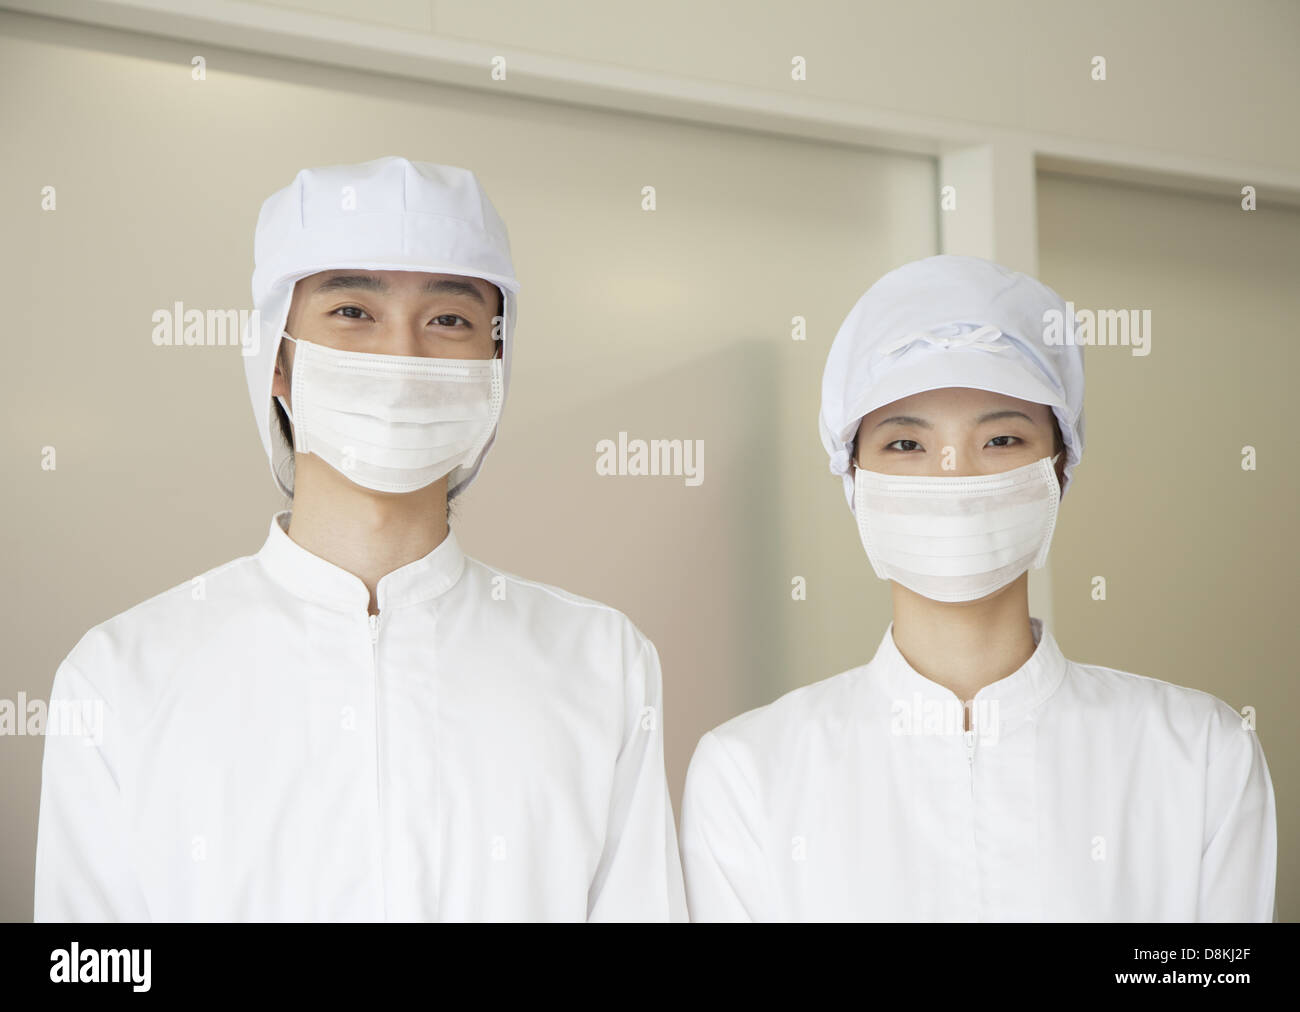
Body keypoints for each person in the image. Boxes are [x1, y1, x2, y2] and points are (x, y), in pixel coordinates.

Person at [33, 155, 687, 922]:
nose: (403, 357)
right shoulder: (121, 677)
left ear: (495, 365)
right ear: (277, 359)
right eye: (352, 312)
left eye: (449, 319)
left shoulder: (601, 664)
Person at [678, 254, 1277, 921]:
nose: (955, 477)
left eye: (1000, 438)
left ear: (1059, 466)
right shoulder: (749, 773)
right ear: (854, 478)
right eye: (906, 445)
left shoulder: (1197, 753)